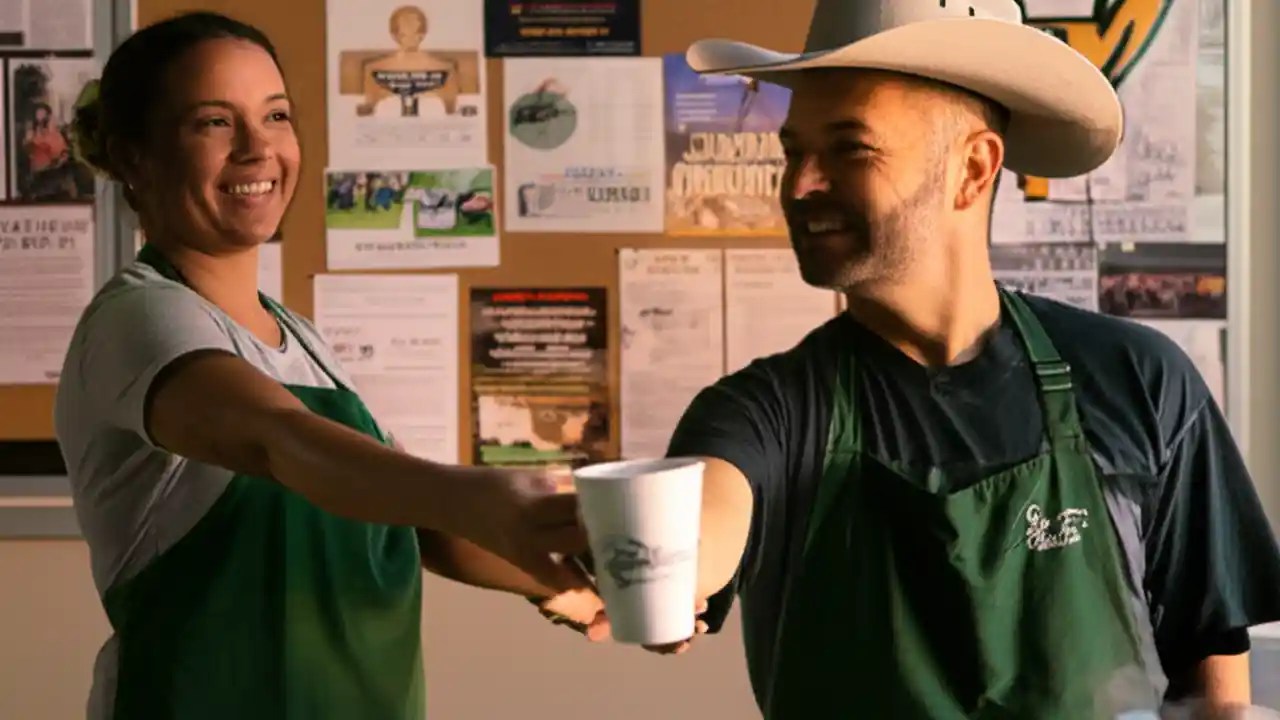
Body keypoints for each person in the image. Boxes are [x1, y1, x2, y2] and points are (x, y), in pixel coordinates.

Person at [564, 1, 1280, 718]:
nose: (800, 184)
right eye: (792, 150)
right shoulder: (770, 411)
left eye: (851, 148)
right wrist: (638, 559)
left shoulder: (1139, 379)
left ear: (973, 169)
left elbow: (1210, 660)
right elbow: (697, 532)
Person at [54, 11, 598, 720]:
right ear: (133, 157)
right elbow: (280, 440)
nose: (258, 149)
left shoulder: (301, 343)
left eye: (275, 116)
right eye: (213, 123)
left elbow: (421, 523)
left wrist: (579, 581)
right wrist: (483, 495)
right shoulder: (139, 320)